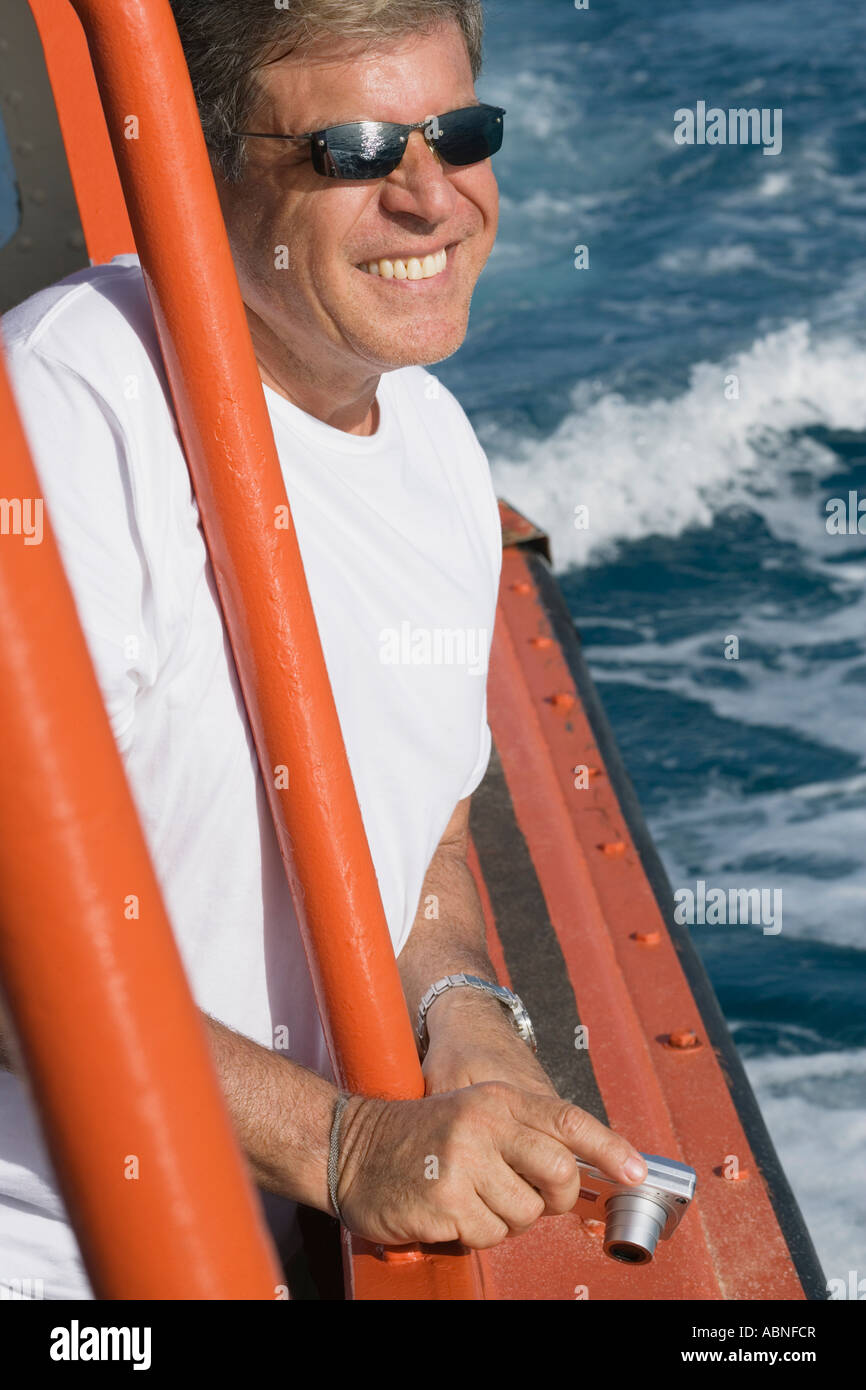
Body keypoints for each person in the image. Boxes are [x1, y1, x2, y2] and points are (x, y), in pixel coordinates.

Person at [0, 0, 647, 1299]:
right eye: (353, 152)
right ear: (196, 164)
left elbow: (424, 816)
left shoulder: (437, 446)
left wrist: (464, 1013)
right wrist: (340, 1137)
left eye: (459, 134)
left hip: (286, 1232)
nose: (432, 201)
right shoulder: (61, 422)